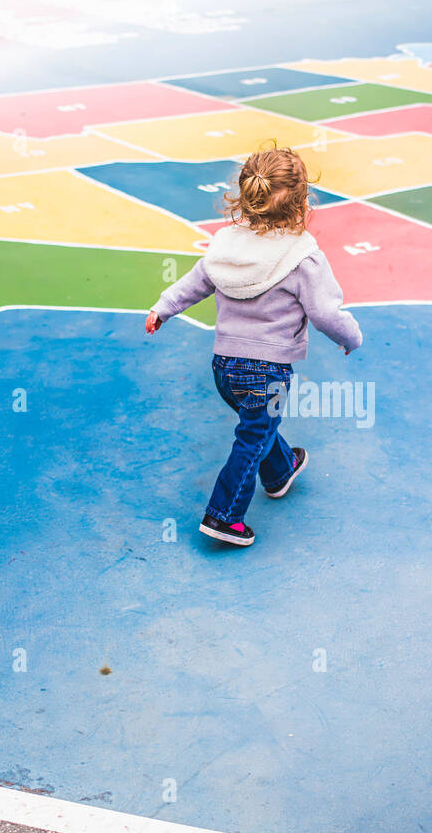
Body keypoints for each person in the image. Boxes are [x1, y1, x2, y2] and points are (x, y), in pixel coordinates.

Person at [146, 145, 363, 546]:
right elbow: (325, 312)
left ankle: (280, 471)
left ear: (244, 197)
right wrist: (350, 337)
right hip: (267, 369)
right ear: (302, 204)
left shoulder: (225, 244)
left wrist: (164, 308)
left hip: (224, 367)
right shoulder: (302, 257)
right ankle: (224, 516)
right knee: (252, 436)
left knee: (257, 425)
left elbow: (195, 282)